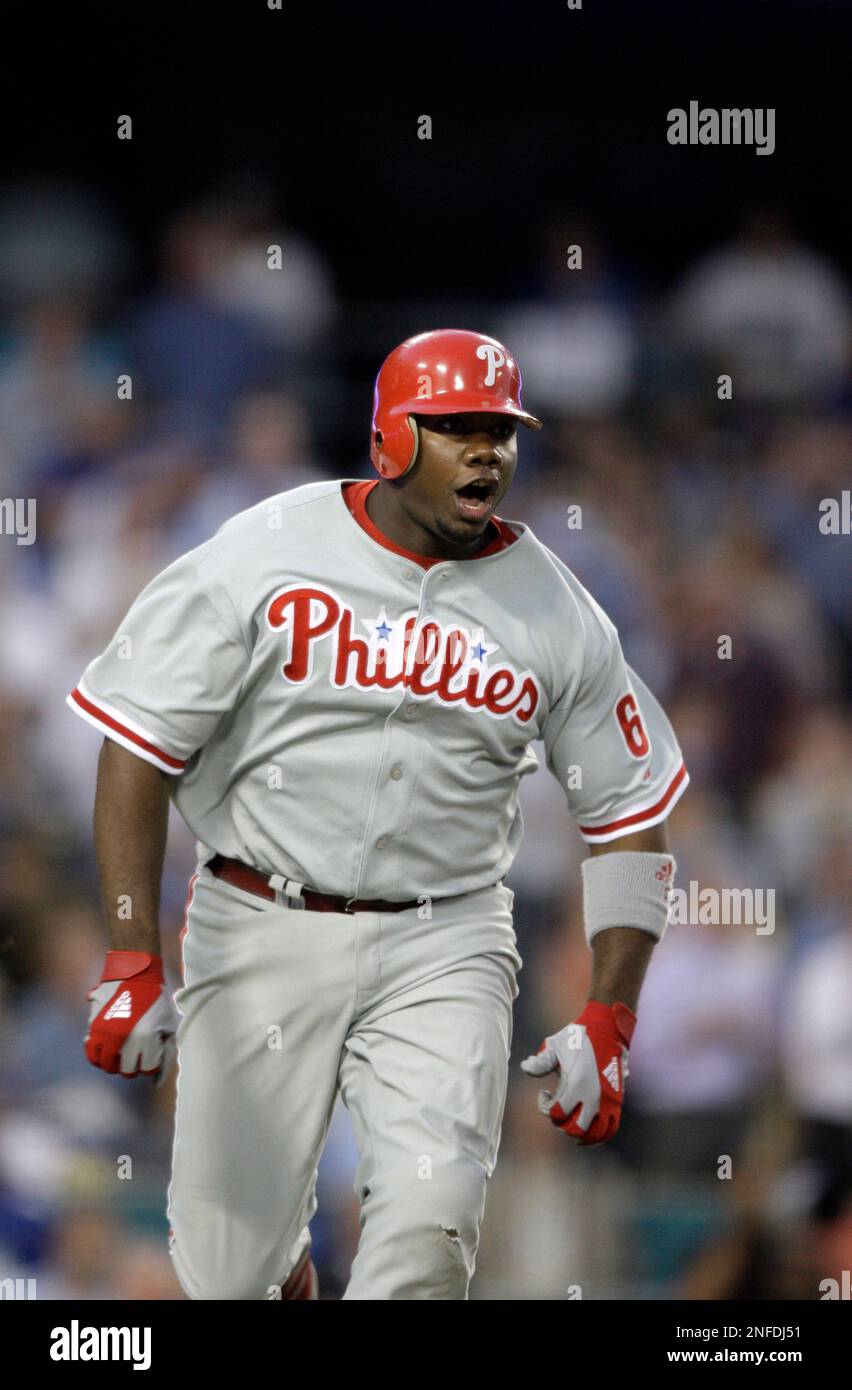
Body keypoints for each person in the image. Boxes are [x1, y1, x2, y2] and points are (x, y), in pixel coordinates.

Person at [68, 329, 689, 1300]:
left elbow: (631, 816)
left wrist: (609, 1015)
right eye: (456, 429)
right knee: (229, 1275)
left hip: (445, 943)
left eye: (501, 430)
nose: (487, 450)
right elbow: (138, 739)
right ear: (390, 439)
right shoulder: (267, 550)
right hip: (257, 917)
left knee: (431, 1238)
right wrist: (129, 952)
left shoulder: (559, 614)